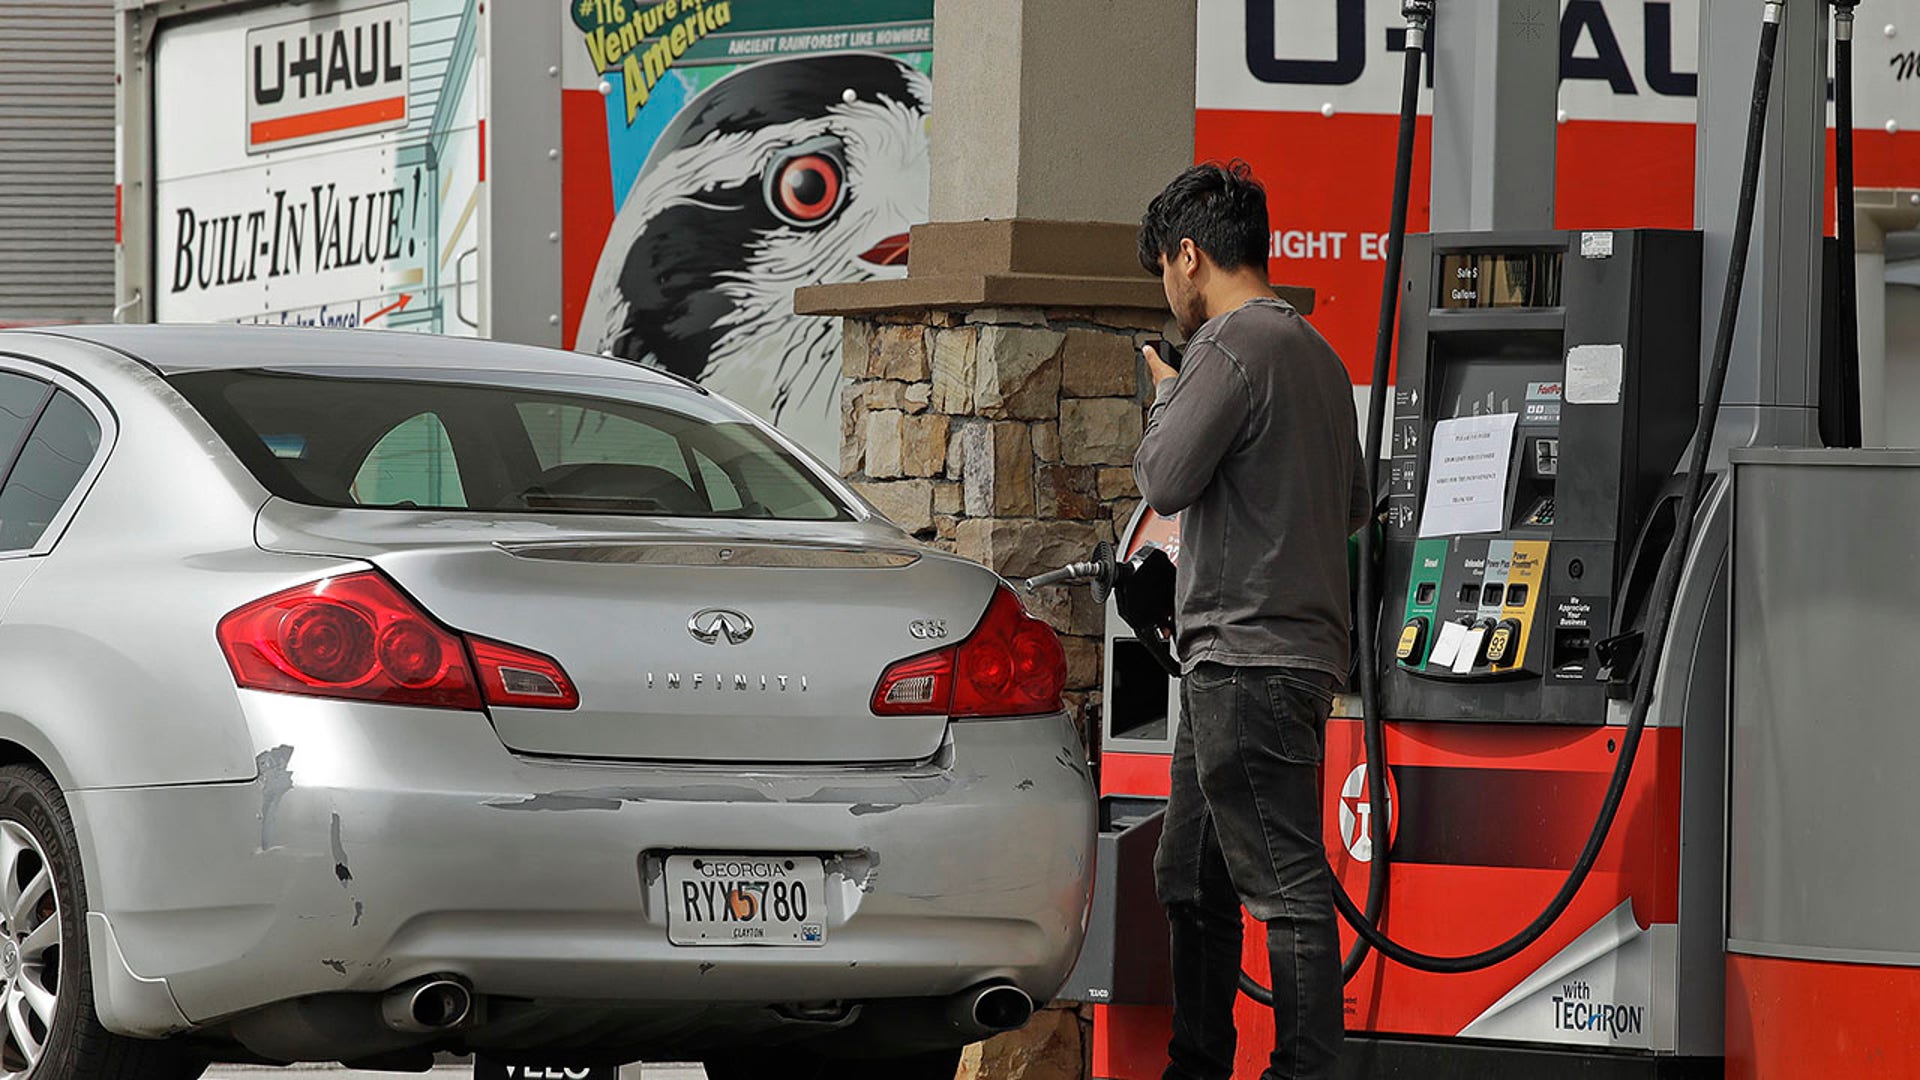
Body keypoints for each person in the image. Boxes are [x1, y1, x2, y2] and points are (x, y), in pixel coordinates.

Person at [1132, 161, 1370, 1080]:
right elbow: (1352, 504)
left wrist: (1167, 394)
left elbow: (1164, 479)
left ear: (1189, 257)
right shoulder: (1320, 356)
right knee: (1189, 873)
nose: (1168, 289)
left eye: (1164, 268)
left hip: (1247, 659)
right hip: (1270, 658)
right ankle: (1198, 1062)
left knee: (1284, 885)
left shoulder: (1228, 349)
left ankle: (1302, 1070)